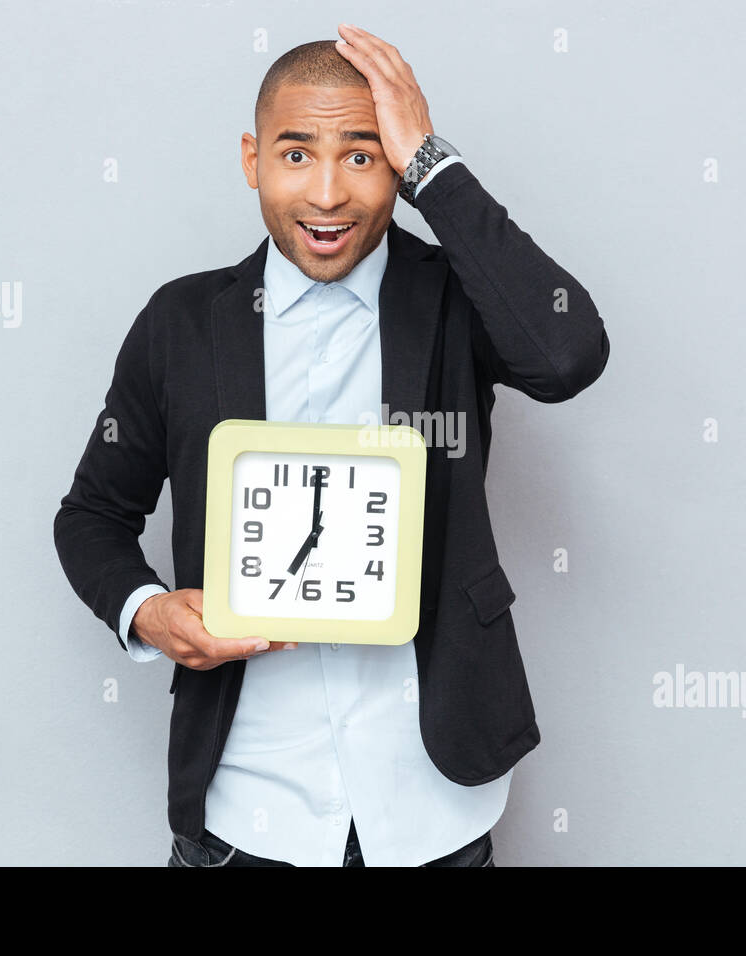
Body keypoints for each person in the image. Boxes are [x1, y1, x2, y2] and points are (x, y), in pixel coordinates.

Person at [53, 23, 610, 867]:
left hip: (432, 803)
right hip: (247, 809)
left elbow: (568, 355)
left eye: (361, 156)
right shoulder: (180, 324)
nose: (326, 196)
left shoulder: (456, 304)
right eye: (295, 154)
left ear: (393, 164)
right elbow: (90, 515)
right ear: (251, 159)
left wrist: (431, 161)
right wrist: (149, 613)